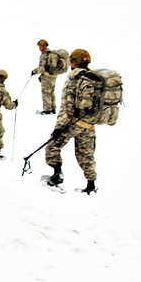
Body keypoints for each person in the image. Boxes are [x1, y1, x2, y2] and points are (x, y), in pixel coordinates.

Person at [45, 49, 97, 193]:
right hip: (89, 125)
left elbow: (67, 107)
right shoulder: (93, 78)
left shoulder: (74, 79)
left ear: (73, 62)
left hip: (73, 122)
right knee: (86, 154)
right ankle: (91, 185)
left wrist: (58, 128)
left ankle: (56, 175)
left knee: (53, 146)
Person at [31, 39, 58, 115]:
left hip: (47, 76)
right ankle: (53, 108)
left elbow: (42, 67)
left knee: (46, 92)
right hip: (54, 76)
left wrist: (34, 71)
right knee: (51, 92)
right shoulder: (51, 54)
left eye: (40, 46)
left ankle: (47, 109)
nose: (39, 48)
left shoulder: (44, 55)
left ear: (44, 46)